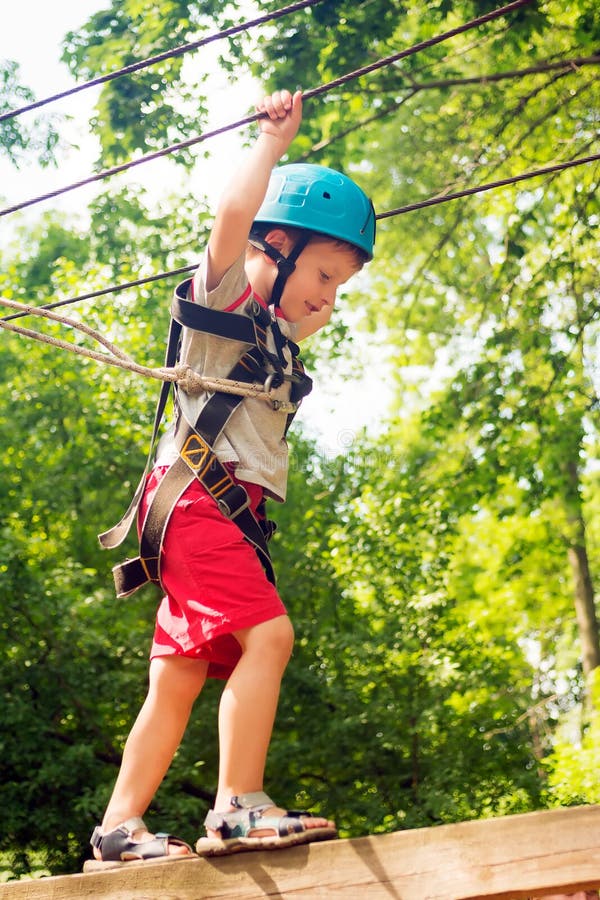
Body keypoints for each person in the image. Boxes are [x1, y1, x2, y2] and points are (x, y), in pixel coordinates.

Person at [88, 87, 375, 867]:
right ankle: (238, 806)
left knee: (178, 676)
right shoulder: (226, 300)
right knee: (270, 636)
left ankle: (118, 829)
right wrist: (271, 145)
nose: (328, 298)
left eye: (339, 288)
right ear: (275, 246)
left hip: (206, 515)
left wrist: (303, 315)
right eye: (323, 274)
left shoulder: (273, 342)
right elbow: (231, 218)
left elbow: (286, 331)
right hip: (199, 508)